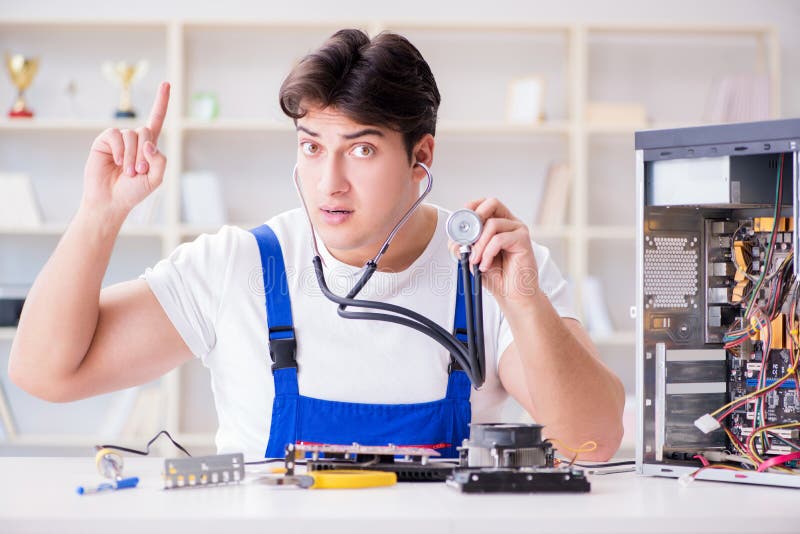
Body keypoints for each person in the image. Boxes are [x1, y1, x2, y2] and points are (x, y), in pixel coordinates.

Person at [9, 29, 624, 461]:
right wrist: (99, 215)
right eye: (311, 147)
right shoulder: (237, 266)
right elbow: (44, 374)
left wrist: (523, 302)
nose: (329, 182)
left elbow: (592, 439)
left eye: (361, 150)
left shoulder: (491, 269)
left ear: (421, 157)